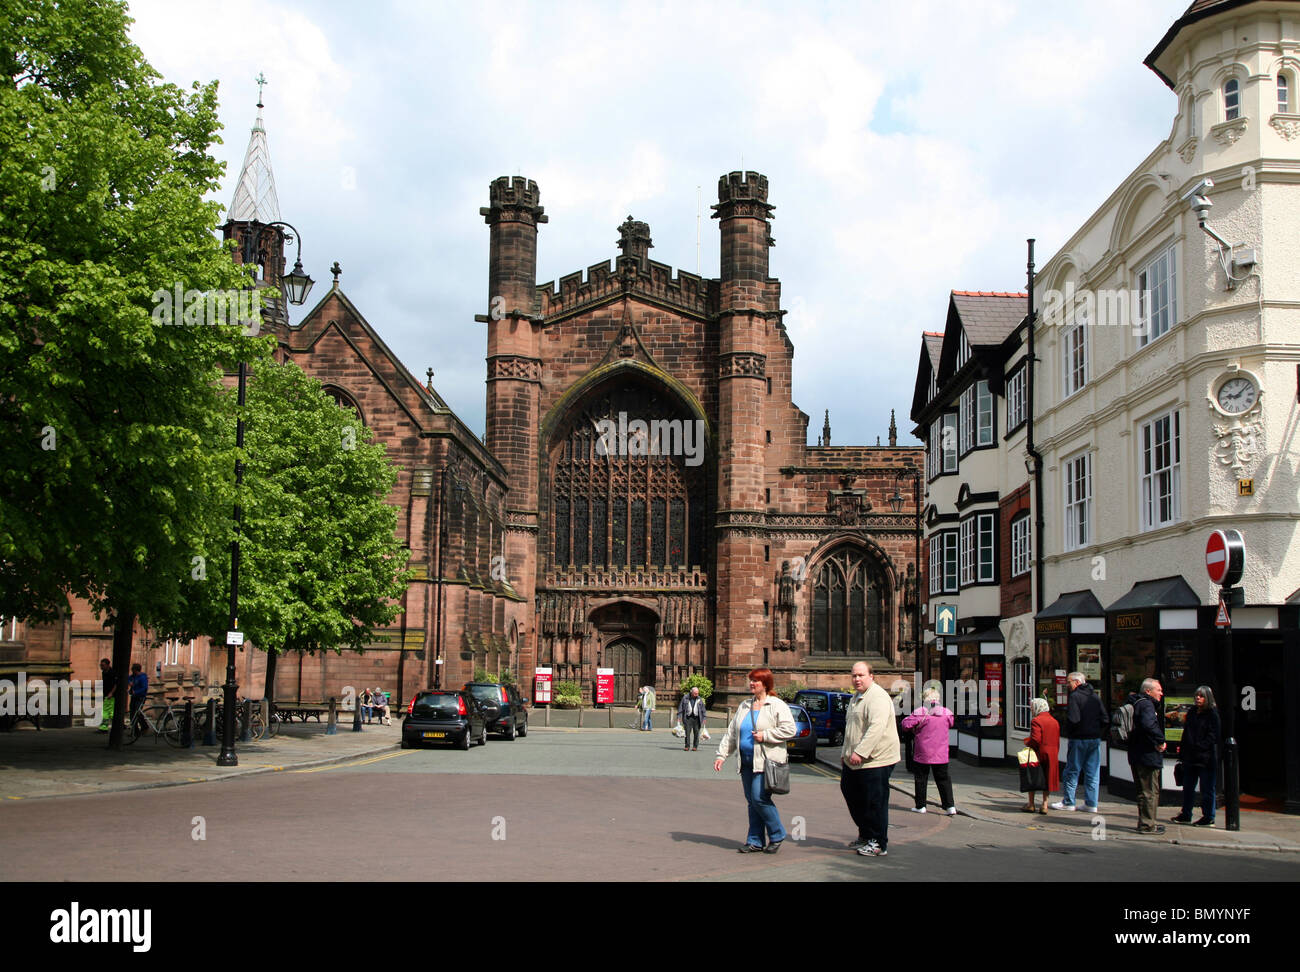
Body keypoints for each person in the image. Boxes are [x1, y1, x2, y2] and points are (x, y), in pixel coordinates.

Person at [713, 668, 797, 853]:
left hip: (766, 761)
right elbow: (732, 734)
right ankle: (755, 841)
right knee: (752, 801)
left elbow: (790, 729)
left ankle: (777, 833)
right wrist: (721, 755)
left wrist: (765, 735)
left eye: (755, 681)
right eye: (750, 680)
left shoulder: (776, 705)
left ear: (765, 683)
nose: (751, 683)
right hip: (746, 762)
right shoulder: (744, 706)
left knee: (759, 798)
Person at [840, 661, 901, 857]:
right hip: (855, 759)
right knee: (851, 792)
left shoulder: (878, 697)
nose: (857, 679)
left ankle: (878, 843)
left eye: (861, 675)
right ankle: (866, 835)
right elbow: (850, 729)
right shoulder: (856, 697)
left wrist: (861, 752)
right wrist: (845, 753)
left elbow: (877, 727)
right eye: (854, 675)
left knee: (875, 801)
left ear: (871, 676)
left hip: (877, 759)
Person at [1050, 672, 1106, 813]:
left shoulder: (1075, 696)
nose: (1067, 685)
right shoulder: (1095, 697)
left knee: (1072, 771)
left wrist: (1070, 730)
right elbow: (1105, 718)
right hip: (1094, 739)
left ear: (1076, 682)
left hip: (1079, 739)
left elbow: (1073, 719)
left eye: (1069, 682)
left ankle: (1069, 802)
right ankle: (1091, 804)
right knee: (1092, 773)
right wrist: (1096, 731)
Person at [900, 687, 955, 815]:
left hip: (922, 753)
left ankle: (921, 806)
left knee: (921, 778)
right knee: (943, 779)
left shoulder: (921, 711)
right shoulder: (947, 712)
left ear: (925, 698)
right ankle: (950, 806)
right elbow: (951, 723)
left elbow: (905, 725)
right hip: (941, 753)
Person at [1172, 685, 1220, 828]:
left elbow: (1213, 736)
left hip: (1205, 759)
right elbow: (1186, 733)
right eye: (1197, 695)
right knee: (1187, 787)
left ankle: (1208, 817)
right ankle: (1186, 814)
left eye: (1201, 696)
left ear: (1208, 698)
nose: (1198, 698)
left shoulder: (1212, 714)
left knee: (1207, 789)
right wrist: (1183, 752)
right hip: (1190, 758)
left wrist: (1199, 746)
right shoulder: (1192, 712)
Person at [1128, 677, 1167, 834]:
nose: (1161, 693)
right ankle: (1147, 825)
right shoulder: (1147, 705)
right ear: (1148, 691)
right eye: (1159, 690)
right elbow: (1148, 725)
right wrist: (1161, 740)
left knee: (1143, 791)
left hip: (1137, 753)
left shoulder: (1137, 703)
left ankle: (1145, 822)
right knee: (1149, 791)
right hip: (1147, 754)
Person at [1023, 697, 1060, 814]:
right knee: (1047, 778)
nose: (1031, 710)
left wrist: (1027, 742)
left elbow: (1036, 739)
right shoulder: (1055, 721)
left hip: (1038, 753)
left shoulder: (1036, 721)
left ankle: (1031, 804)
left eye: (1032, 708)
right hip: (1052, 753)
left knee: (1032, 776)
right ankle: (1045, 805)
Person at [679, 686, 705, 751]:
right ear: (691, 692)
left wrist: (704, 718)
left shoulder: (699, 699)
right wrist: (679, 716)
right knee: (687, 733)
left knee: (696, 733)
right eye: (695, 693)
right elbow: (680, 707)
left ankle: (695, 746)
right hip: (688, 717)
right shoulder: (685, 698)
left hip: (697, 718)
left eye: (697, 693)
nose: (697, 695)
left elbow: (703, 709)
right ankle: (687, 746)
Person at [96, 658, 116, 733]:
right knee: (110, 712)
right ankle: (120, 724)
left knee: (105, 711)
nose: (101, 667)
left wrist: (111, 693)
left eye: (103, 665)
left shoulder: (112, 673)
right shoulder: (104, 672)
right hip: (106, 694)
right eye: (100, 665)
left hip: (110, 695)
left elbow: (115, 684)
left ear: (108, 665)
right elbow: (104, 682)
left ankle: (104, 727)